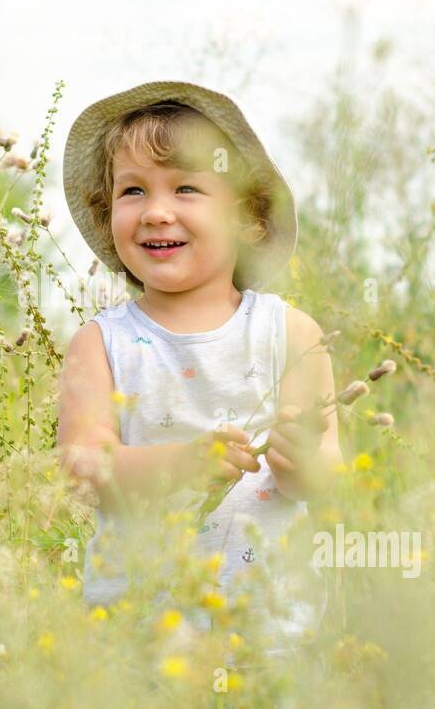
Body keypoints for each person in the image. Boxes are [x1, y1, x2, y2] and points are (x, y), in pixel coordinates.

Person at [56, 81, 345, 655]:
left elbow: (330, 473)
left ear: (247, 217)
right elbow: (84, 467)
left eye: (187, 187)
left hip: (269, 630)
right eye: (132, 191)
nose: (156, 212)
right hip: (140, 632)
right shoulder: (99, 344)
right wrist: (181, 464)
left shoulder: (290, 334)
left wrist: (300, 461)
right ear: (106, 211)